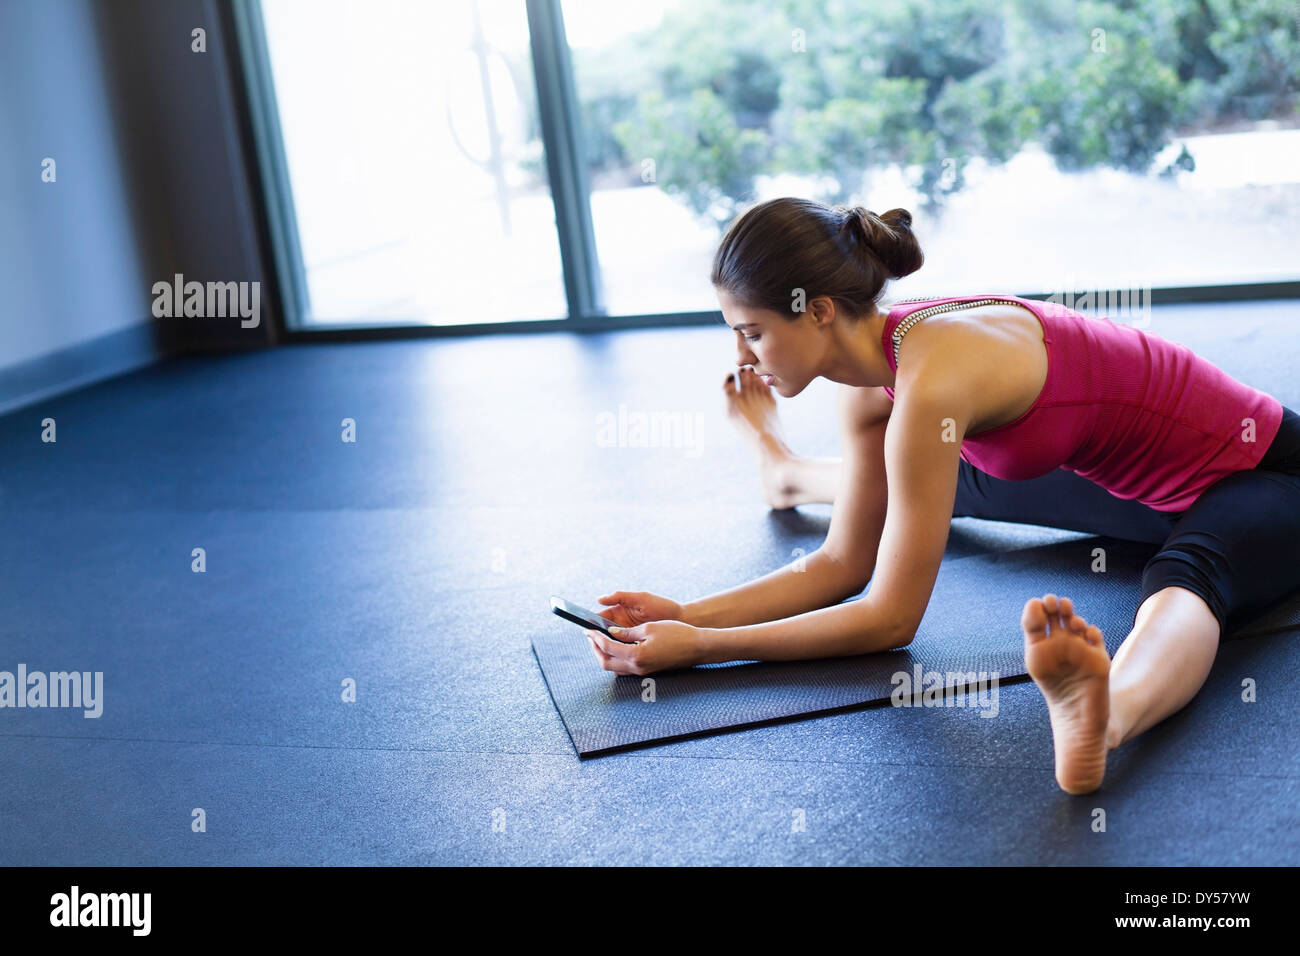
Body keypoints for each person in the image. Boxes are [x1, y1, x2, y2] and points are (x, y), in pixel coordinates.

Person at [586, 196, 1300, 794]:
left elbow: (890, 618)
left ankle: (1107, 712)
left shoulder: (932, 383)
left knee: (1192, 571)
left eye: (753, 333)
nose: (742, 357)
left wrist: (703, 649)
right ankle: (790, 473)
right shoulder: (876, 380)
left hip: (1263, 470)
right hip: (1132, 487)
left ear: (820, 312)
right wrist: (686, 613)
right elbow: (842, 564)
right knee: (929, 487)